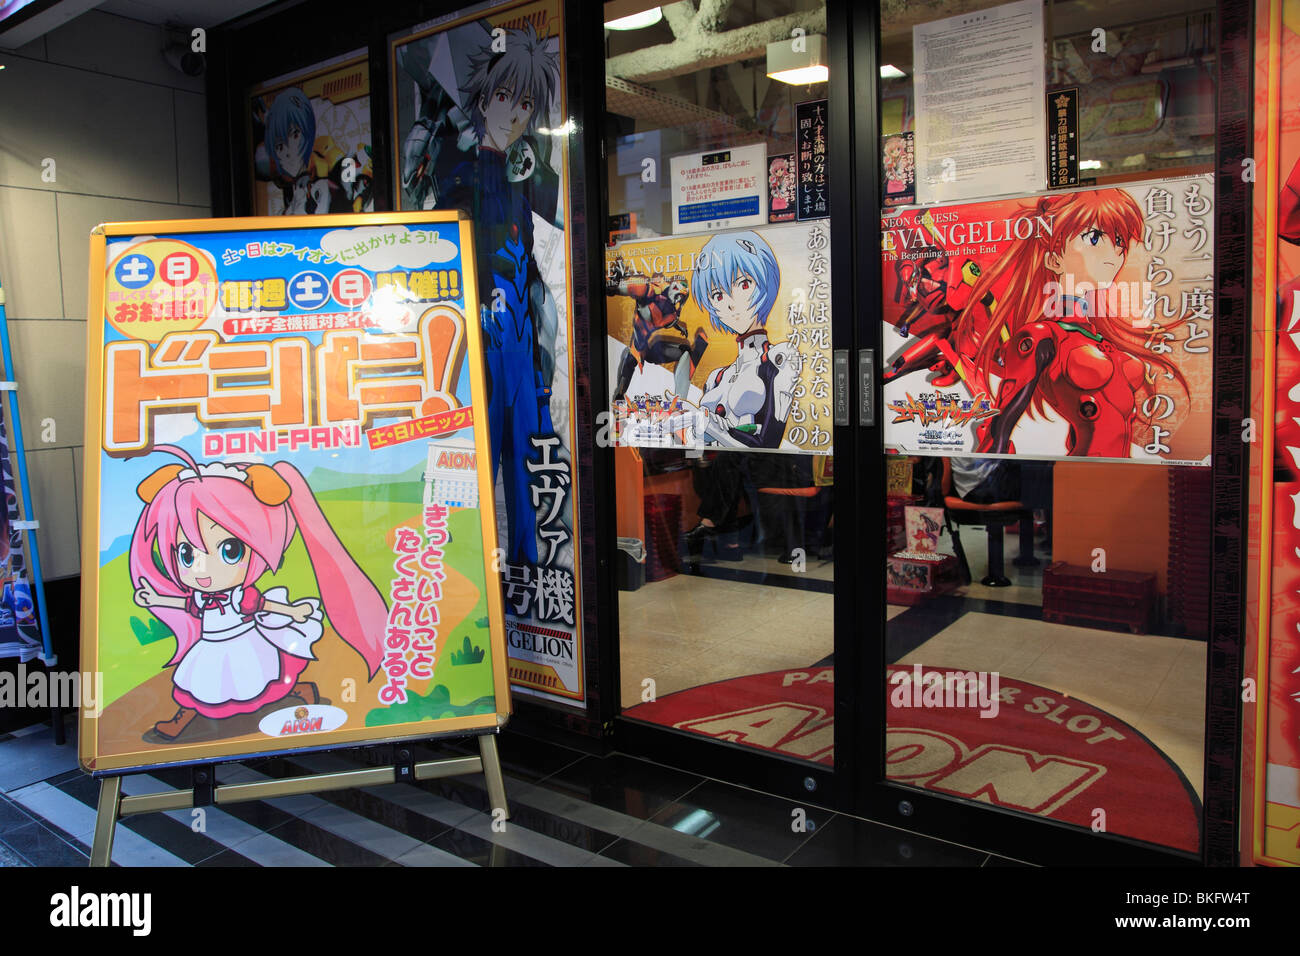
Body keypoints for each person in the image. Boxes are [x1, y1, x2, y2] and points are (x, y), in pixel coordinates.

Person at [400, 22, 564, 567]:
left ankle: (523, 572)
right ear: (481, 96)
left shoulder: (528, 175)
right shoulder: (457, 165)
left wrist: (543, 340)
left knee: (523, 464)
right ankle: (466, 576)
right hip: (477, 336)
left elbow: (541, 260)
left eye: (524, 104)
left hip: (521, 339)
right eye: (503, 97)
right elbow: (435, 240)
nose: (513, 114)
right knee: (473, 464)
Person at [129, 446, 386, 740]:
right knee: (199, 681)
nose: (202, 570)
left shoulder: (240, 596)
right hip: (213, 645)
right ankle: (183, 718)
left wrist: (294, 611)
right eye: (186, 554)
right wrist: (157, 599)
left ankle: (300, 691)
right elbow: (186, 604)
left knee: (256, 680)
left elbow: (263, 605)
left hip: (243, 643)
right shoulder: (204, 596)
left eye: (229, 550)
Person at [954, 189, 1188, 457]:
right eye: (1094, 237)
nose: (1115, 252)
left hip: (1119, 476)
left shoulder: (1098, 339)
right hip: (1077, 476)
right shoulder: (1043, 336)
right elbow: (1000, 428)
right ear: (1054, 259)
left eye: (1119, 240)